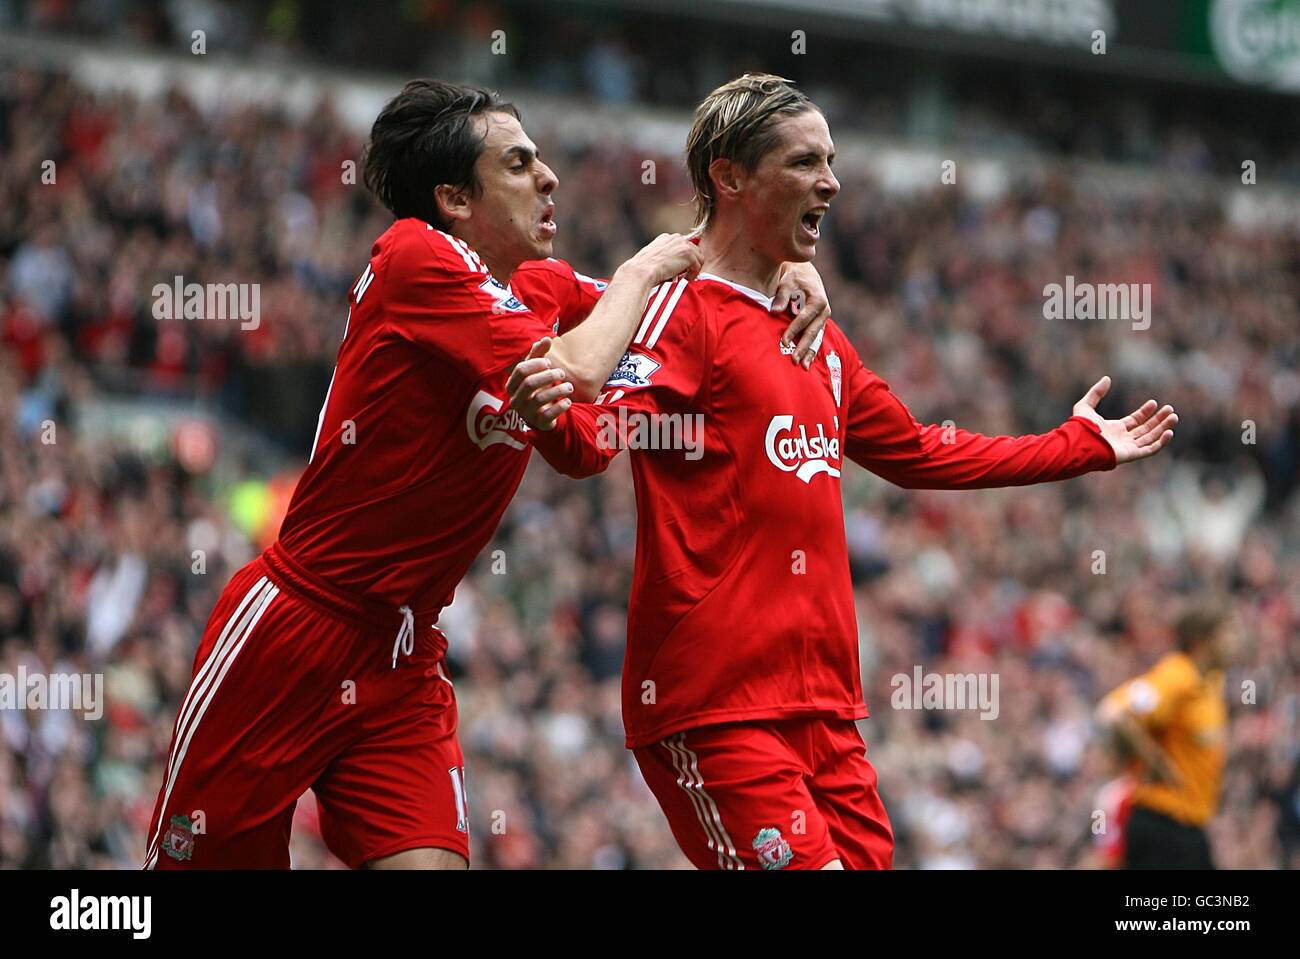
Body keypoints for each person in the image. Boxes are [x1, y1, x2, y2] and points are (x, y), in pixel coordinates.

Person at [143, 77, 830, 870]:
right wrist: (643, 271)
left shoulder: (536, 287)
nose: (549, 178)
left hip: (403, 655)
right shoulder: (415, 256)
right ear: (454, 198)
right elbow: (579, 364)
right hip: (296, 630)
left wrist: (776, 274)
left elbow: (683, 311)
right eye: (518, 163)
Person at [510, 73, 1178, 870]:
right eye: (804, 163)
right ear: (729, 176)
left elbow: (924, 451)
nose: (832, 181)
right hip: (719, 705)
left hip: (826, 711)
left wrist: (1083, 444)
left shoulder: (814, 335)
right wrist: (542, 398)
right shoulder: (681, 313)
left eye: (831, 160)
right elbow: (590, 440)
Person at [1096, 607, 1230, 869]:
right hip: (1163, 823)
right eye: (1229, 632)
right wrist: (1155, 762)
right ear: (1203, 639)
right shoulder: (1177, 675)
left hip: (1188, 827)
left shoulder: (1211, 682)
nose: (1238, 640)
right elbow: (1115, 712)